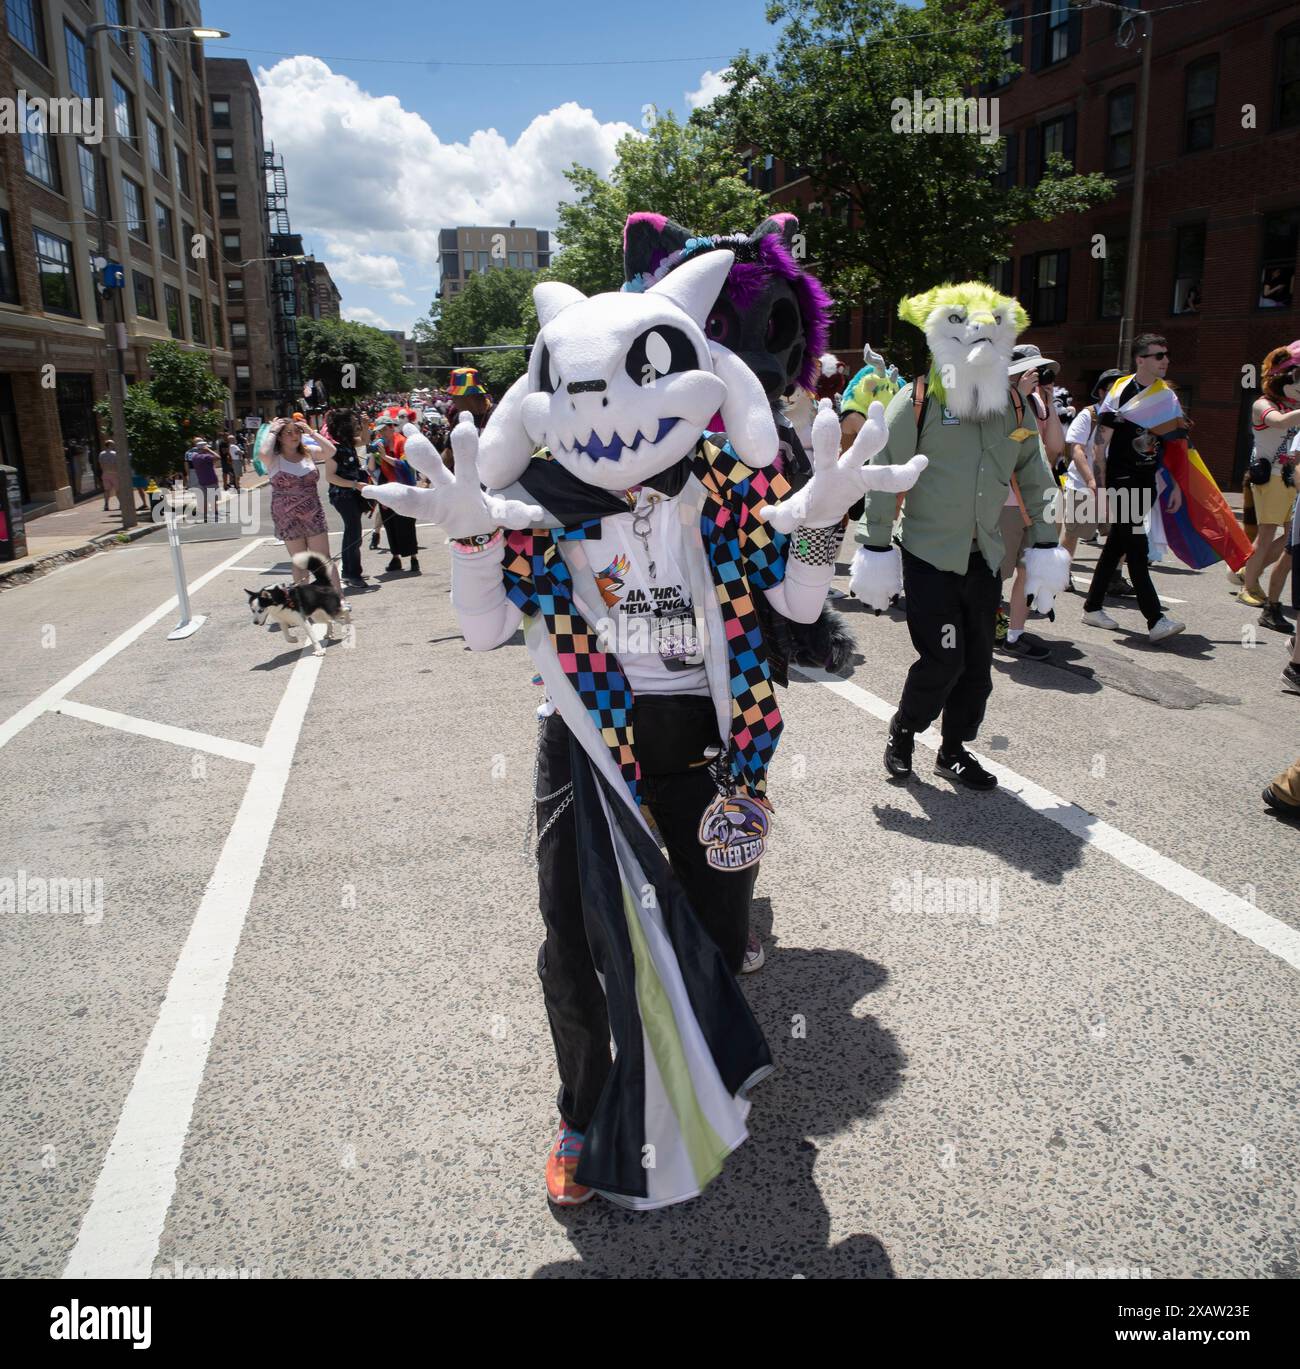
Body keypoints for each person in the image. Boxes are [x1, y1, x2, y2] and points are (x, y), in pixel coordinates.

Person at [363, 252, 923, 1210]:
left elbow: (792, 596)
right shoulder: (545, 498)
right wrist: (468, 537)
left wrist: (824, 520)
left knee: (709, 924)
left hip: (709, 737)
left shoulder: (727, 484)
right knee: (572, 935)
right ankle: (584, 1112)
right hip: (587, 731)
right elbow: (487, 627)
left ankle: (693, 1082)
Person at [852, 282, 1069, 791]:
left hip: (984, 558)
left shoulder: (1014, 410)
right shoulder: (920, 400)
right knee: (943, 659)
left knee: (976, 666)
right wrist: (876, 546)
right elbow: (887, 471)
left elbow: (1036, 477)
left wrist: (1045, 543)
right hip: (928, 556)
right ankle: (905, 730)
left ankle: (953, 750)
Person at [1080, 335, 1186, 643]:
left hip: (1147, 480)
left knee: (1117, 544)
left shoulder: (1165, 396)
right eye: (1158, 355)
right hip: (1122, 480)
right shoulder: (1122, 390)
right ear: (1140, 359)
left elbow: (1173, 444)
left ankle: (1092, 607)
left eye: (1166, 355)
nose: (1165, 360)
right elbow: (1100, 444)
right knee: (1137, 548)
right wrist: (1100, 487)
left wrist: (1176, 483)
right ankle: (1156, 619)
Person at [996, 345, 1065, 662]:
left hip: (1036, 500)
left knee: (1028, 567)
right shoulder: (995, 402)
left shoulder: (1037, 402)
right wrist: (1018, 398)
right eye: (1032, 369)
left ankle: (1014, 635)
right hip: (1004, 501)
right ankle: (985, 629)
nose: (1037, 376)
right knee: (995, 572)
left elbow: (1053, 450)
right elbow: (1003, 447)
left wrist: (1047, 403)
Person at [1240, 344, 1299, 623]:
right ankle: (1248, 586)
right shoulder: (1262, 404)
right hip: (1269, 477)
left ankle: (1249, 569)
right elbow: (1279, 422)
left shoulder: (1294, 405)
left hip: (1290, 477)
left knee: (1290, 538)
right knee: (1266, 535)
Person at [258, 416, 342, 593]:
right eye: (288, 433)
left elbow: (330, 451)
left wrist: (312, 431)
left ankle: (338, 599)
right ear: (279, 437)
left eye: (297, 431)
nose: (294, 435)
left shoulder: (308, 452)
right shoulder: (274, 458)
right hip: (287, 516)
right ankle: (305, 604)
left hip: (313, 512)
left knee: (323, 557)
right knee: (299, 560)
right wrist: (273, 430)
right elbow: (263, 453)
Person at [1060, 369, 1123, 583]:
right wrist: (1091, 480)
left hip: (1115, 486)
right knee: (1072, 533)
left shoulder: (1127, 418)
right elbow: (1076, 449)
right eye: (1116, 389)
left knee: (1121, 534)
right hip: (1082, 485)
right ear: (1103, 392)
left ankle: (1114, 576)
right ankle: (1062, 574)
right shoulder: (1089, 415)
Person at [323, 409, 371, 585]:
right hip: (342, 495)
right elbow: (330, 476)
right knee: (353, 531)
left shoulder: (348, 443)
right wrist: (354, 484)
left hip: (352, 493)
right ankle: (351, 573)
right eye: (353, 421)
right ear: (343, 425)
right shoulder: (333, 448)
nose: (356, 424)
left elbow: (365, 440)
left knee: (354, 531)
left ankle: (350, 571)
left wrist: (366, 425)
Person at [368, 417, 419, 573]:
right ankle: (395, 557)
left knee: (406, 523)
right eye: (380, 431)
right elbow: (371, 469)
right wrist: (372, 454)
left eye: (384, 429)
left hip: (403, 485)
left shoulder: (402, 442)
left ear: (392, 427)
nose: (382, 433)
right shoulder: (379, 443)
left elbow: (405, 465)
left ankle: (413, 557)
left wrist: (384, 456)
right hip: (386, 485)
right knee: (389, 523)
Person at [187, 438, 221, 522]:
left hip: (201, 480)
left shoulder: (195, 457)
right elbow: (218, 457)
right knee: (213, 499)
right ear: (204, 448)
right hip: (211, 480)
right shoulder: (206, 456)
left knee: (204, 499)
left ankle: (205, 516)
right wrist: (209, 450)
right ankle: (215, 514)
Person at [98, 441, 119, 512]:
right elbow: (117, 464)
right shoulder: (115, 454)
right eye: (112, 444)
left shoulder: (101, 454)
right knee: (118, 490)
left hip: (105, 473)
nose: (113, 445)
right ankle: (121, 504)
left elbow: (101, 464)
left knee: (107, 490)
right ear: (110, 445)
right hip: (114, 474)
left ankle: (106, 505)